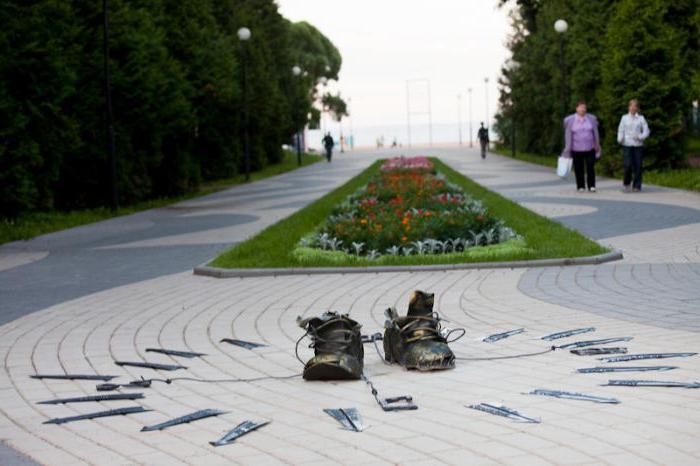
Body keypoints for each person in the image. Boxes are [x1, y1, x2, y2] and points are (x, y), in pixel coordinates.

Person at [561, 101, 601, 192]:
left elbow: (595, 130)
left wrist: (597, 144)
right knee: (579, 168)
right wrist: (568, 148)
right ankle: (581, 186)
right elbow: (567, 133)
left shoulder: (592, 119)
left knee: (590, 166)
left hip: (590, 147)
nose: (583, 109)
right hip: (576, 148)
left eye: (584, 108)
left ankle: (592, 185)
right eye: (581, 107)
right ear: (576, 109)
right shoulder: (570, 120)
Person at [617, 99, 650, 192]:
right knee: (627, 165)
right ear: (628, 107)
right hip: (627, 144)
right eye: (631, 106)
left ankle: (637, 185)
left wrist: (640, 137)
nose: (633, 108)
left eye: (635, 106)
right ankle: (627, 182)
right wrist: (620, 138)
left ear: (637, 108)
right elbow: (621, 129)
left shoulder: (641, 118)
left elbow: (647, 131)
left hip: (638, 145)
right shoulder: (624, 118)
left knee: (638, 165)